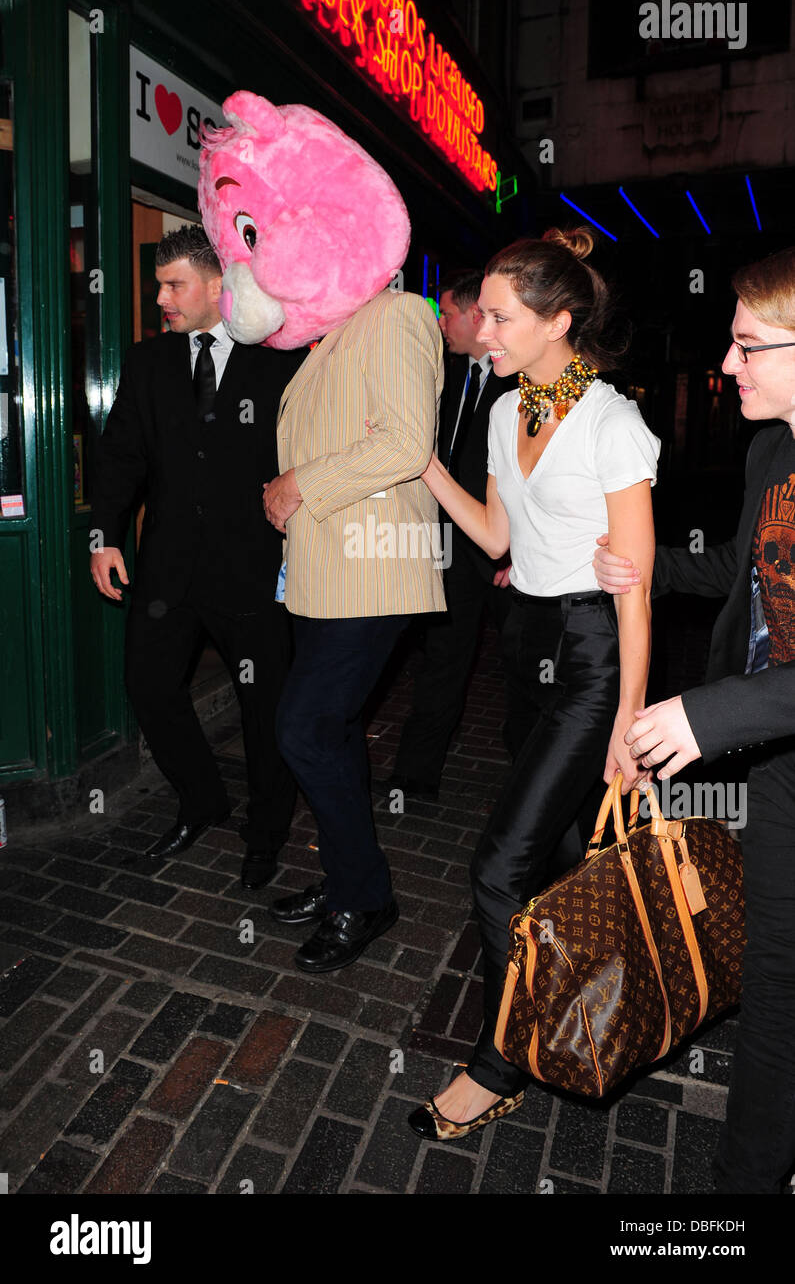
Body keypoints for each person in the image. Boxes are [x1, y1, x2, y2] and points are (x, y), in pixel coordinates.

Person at [407, 228, 660, 1141]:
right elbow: (496, 540)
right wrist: (423, 461)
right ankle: (587, 999)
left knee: (497, 864)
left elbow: (635, 591)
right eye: (482, 311)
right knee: (554, 860)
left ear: (558, 322)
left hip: (593, 654)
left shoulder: (610, 421)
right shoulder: (501, 409)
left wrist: (628, 718)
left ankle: (498, 1061)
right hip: (528, 645)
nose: (482, 326)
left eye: (502, 315)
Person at [593, 245, 795, 1194]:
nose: (725, 364)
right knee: (774, 976)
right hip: (778, 757)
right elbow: (747, 575)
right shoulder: (771, 448)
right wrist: (654, 566)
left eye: (748, 345)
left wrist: (714, 712)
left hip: (754, 719)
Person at [90, 225, 300, 888]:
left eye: (173, 283)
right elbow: (121, 455)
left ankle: (265, 833)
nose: (161, 298)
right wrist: (105, 535)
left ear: (217, 286)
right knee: (149, 686)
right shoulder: (148, 362)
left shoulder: (279, 360)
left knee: (263, 708)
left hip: (253, 568)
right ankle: (201, 799)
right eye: (159, 284)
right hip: (168, 569)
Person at [262, 287, 445, 973]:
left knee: (303, 731)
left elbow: (404, 443)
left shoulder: (395, 314)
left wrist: (299, 483)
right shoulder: (331, 333)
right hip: (327, 571)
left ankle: (366, 897)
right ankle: (349, 880)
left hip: (372, 568)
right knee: (330, 732)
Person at [389, 270, 517, 801]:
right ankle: (416, 774)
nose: (440, 324)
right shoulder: (441, 373)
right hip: (447, 543)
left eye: (446, 314)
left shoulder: (522, 380)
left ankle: (530, 777)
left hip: (507, 550)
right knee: (443, 656)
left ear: (475, 315)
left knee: (524, 667)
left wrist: (518, 550)